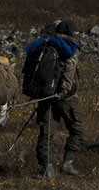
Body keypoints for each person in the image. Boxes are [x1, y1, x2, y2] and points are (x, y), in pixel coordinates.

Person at [22, 19, 84, 178]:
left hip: (45, 95)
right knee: (77, 129)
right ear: (71, 33)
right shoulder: (69, 47)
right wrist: (64, 91)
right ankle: (68, 163)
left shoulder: (43, 44)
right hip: (65, 98)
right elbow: (70, 70)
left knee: (46, 132)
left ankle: (47, 169)